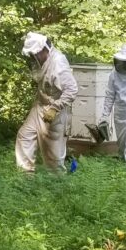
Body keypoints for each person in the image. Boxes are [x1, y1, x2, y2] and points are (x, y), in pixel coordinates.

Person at [15, 32, 79, 174]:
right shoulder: (43, 60)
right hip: (40, 105)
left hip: (54, 109)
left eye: (35, 54)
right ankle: (25, 176)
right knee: (24, 135)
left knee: (53, 153)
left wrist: (55, 108)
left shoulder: (58, 63)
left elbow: (72, 90)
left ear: (44, 49)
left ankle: (57, 183)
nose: (33, 57)